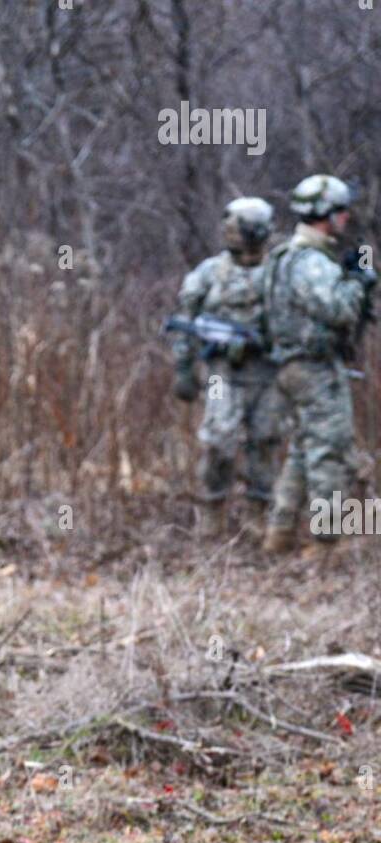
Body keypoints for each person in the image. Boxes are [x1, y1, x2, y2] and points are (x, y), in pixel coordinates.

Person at [262, 174, 376, 559]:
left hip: (292, 367)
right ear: (327, 214)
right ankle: (326, 546)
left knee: (302, 451)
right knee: (331, 452)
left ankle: (279, 535)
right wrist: (359, 282)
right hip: (315, 369)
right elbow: (339, 310)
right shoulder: (310, 261)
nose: (346, 218)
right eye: (341, 211)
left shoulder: (285, 256)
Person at [171, 197, 281, 537]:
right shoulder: (209, 273)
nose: (233, 235)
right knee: (219, 439)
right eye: (230, 228)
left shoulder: (279, 273)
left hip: (268, 372)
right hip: (223, 373)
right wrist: (184, 369)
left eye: (241, 229)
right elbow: (185, 322)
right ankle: (212, 511)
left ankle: (258, 513)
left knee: (265, 439)